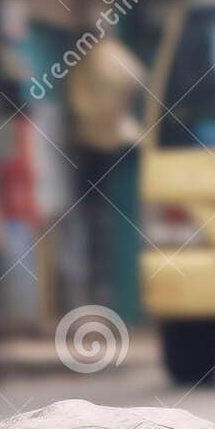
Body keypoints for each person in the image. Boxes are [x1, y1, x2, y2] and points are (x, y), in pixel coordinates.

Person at [62, 26, 147, 313]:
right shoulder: (117, 58)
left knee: (91, 217)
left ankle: (98, 294)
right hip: (115, 145)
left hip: (91, 146)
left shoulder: (90, 61)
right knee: (100, 220)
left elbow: (78, 104)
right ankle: (110, 297)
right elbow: (139, 77)